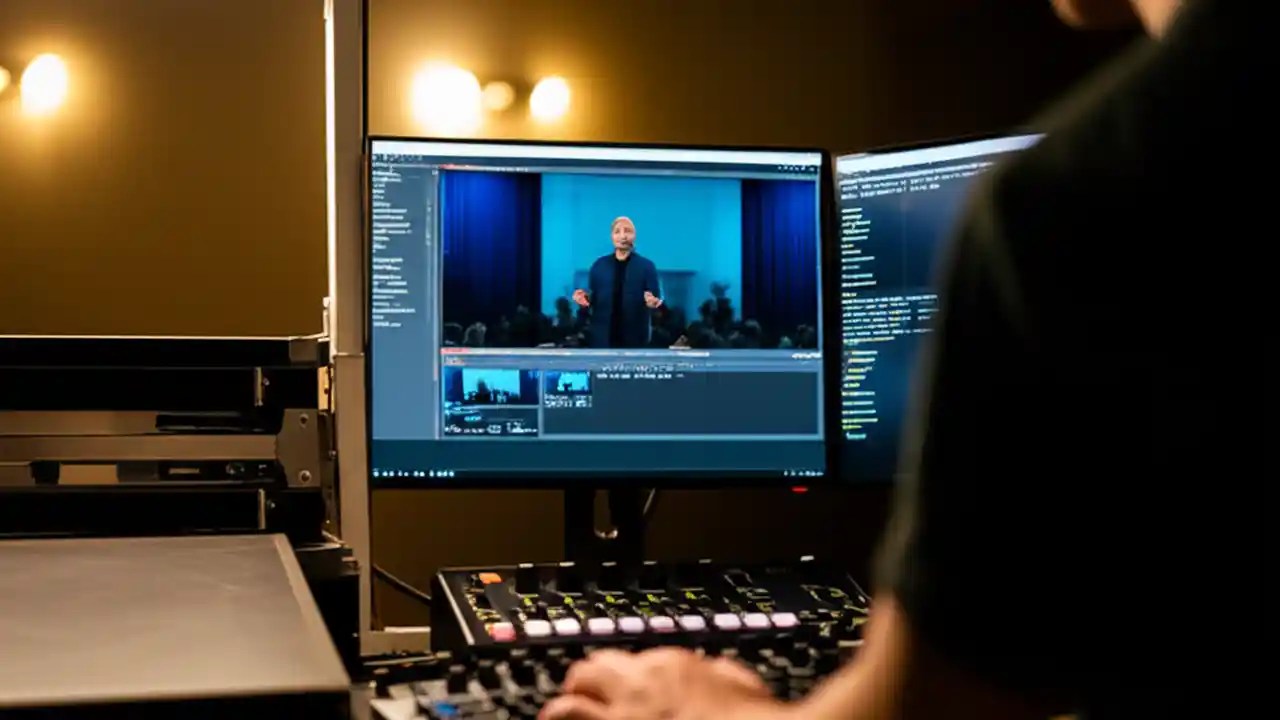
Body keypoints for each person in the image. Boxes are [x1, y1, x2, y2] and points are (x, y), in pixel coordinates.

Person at [541, 1, 1264, 718]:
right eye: (620, 226)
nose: (626, 233)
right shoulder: (1177, 137)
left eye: (631, 225)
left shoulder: (1083, 193)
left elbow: (922, 707)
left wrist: (704, 711)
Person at [573, 216, 664, 348]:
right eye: (617, 231)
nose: (623, 236)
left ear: (634, 236)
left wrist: (653, 303)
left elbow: (656, 300)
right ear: (611, 236)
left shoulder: (646, 266)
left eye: (627, 231)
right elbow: (591, 299)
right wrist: (583, 300)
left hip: (635, 340)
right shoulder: (599, 266)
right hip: (601, 339)